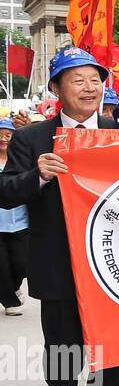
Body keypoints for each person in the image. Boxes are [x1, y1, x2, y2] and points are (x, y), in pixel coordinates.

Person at [0, 47, 119, 386]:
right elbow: (5, 193)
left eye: (95, 79)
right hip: (59, 265)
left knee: (115, 350)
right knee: (65, 352)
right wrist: (36, 175)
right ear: (57, 88)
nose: (89, 87)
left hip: (116, 267)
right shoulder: (31, 139)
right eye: (78, 80)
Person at [0, 118, 28, 317]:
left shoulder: (21, 159)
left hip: (20, 220)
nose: (3, 138)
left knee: (21, 263)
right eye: (0, 134)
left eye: (8, 134)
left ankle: (12, 287)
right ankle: (9, 300)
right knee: (1, 265)